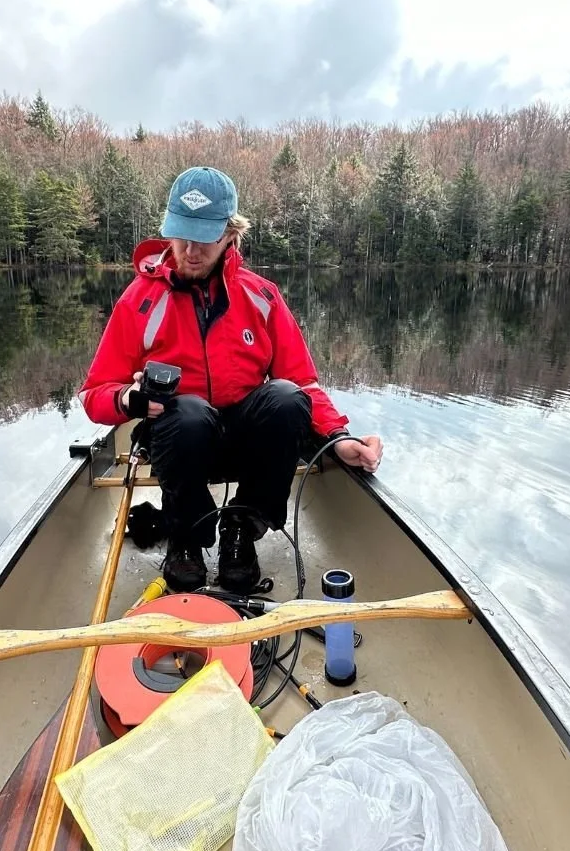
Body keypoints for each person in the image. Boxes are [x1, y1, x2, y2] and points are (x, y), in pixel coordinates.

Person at [78, 165, 384, 593]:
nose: (190, 250)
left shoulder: (261, 296)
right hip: (180, 443)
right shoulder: (139, 301)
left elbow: (305, 383)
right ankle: (186, 536)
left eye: (204, 238)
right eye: (181, 235)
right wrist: (128, 400)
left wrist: (337, 438)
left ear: (230, 235)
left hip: (245, 446)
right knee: (187, 413)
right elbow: (94, 393)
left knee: (286, 399)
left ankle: (240, 530)